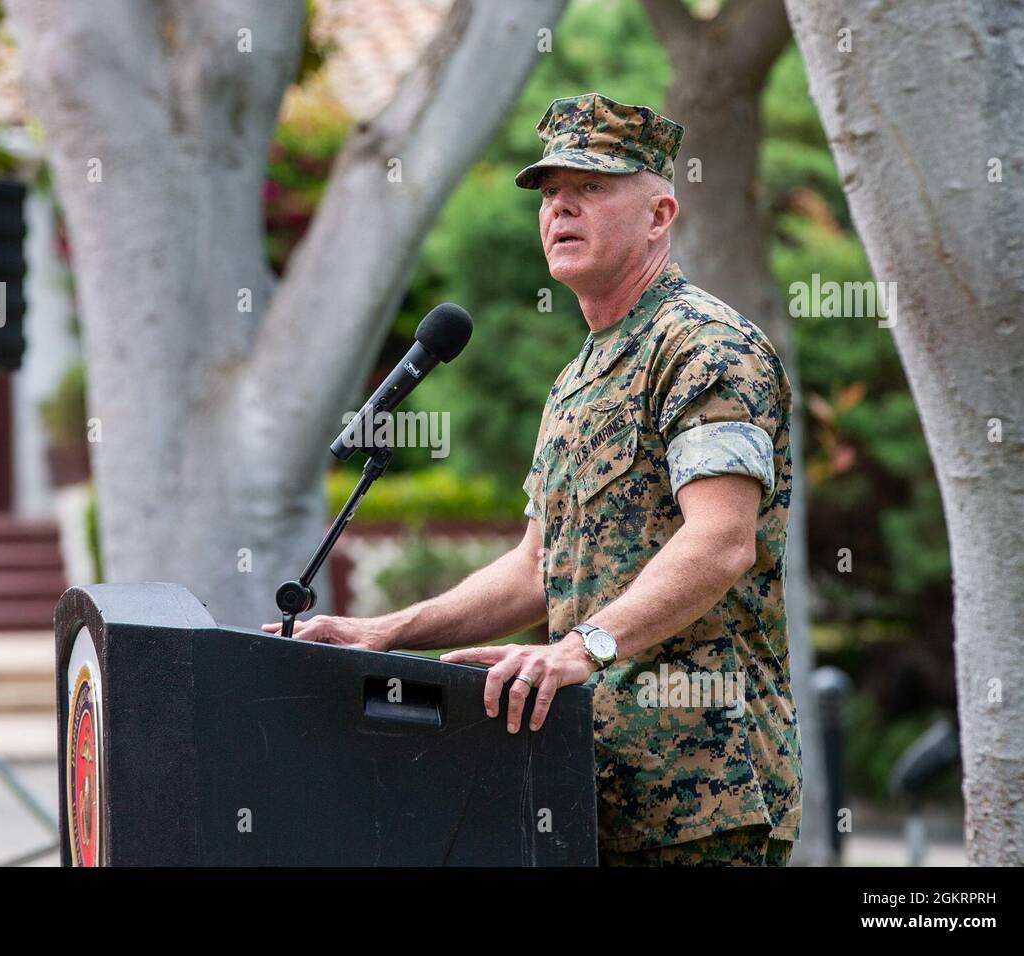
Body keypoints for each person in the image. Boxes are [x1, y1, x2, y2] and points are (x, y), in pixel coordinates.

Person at [264, 94, 801, 867]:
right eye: (550, 194)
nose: (561, 209)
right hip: (583, 783)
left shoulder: (705, 347)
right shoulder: (578, 379)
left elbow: (721, 542)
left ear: (658, 214)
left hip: (702, 794)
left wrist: (580, 649)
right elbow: (534, 571)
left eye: (590, 186)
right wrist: (381, 635)